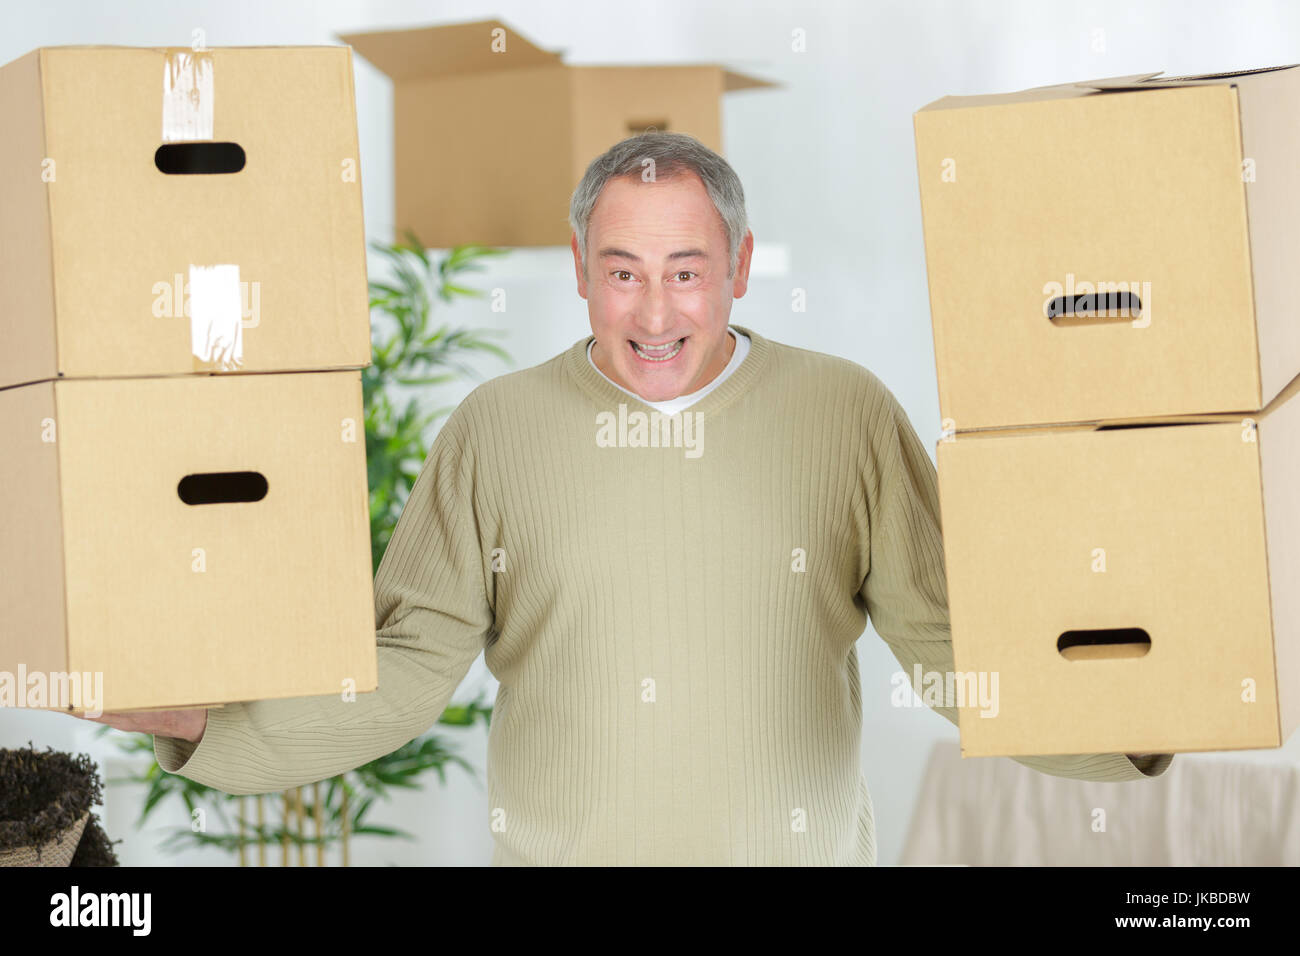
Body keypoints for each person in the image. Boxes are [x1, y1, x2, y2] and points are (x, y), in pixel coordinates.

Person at [84, 131, 1171, 865]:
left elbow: (949, 649)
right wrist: (201, 726)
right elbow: (409, 667)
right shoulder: (495, 427)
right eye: (622, 269)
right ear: (577, 267)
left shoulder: (845, 411)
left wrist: (1137, 723)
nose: (654, 309)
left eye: (686, 268)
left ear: (740, 265)